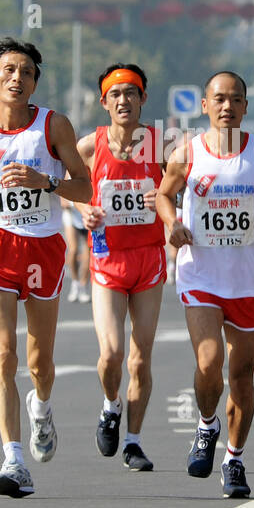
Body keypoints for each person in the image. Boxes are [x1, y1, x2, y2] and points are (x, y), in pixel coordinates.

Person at [0, 39, 91, 498]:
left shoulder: (54, 126)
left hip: (41, 248)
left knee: (39, 361)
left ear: (34, 83)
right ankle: (13, 459)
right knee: (3, 353)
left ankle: (41, 408)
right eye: (8, 70)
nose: (16, 78)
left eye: (26, 71)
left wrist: (45, 181)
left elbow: (85, 189)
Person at [156, 71, 254, 498]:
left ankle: (233, 459)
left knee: (241, 375)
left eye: (236, 99)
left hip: (248, 280)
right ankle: (206, 426)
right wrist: (172, 224)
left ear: (245, 107)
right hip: (201, 273)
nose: (227, 106)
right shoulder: (187, 153)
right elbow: (165, 195)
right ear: (205, 106)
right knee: (208, 363)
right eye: (219, 99)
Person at [74, 63, 168, 472]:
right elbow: (68, 186)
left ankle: (133, 441)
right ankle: (111, 406)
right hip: (107, 258)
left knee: (139, 359)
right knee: (111, 354)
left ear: (143, 99)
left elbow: (183, 191)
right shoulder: (90, 146)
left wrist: (165, 202)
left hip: (148, 259)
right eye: (115, 94)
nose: (124, 100)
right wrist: (85, 209)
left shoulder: (161, 146)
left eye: (131, 93)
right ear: (104, 102)